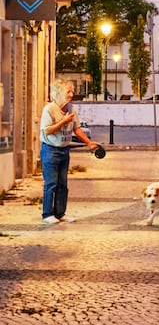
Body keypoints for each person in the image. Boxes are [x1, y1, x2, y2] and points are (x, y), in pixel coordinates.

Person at [39, 80, 99, 224]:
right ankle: (47, 214)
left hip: (64, 150)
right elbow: (46, 130)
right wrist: (63, 122)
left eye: (72, 91)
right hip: (50, 150)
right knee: (51, 184)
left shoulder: (71, 108)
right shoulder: (49, 109)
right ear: (58, 93)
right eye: (68, 92)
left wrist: (89, 143)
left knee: (63, 184)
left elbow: (76, 128)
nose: (71, 95)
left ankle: (60, 213)